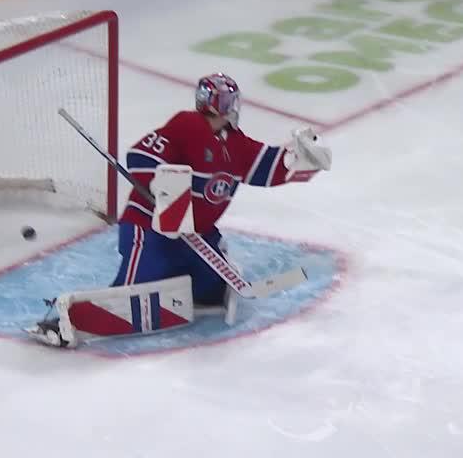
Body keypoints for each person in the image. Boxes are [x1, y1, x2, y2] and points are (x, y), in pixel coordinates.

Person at [28, 73, 332, 347]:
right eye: (229, 101)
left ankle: (186, 277)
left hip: (196, 237)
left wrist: (302, 159)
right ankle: (63, 323)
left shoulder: (236, 144)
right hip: (150, 229)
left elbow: (268, 165)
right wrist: (167, 195)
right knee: (135, 290)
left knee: (212, 291)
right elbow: (140, 156)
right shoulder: (186, 126)